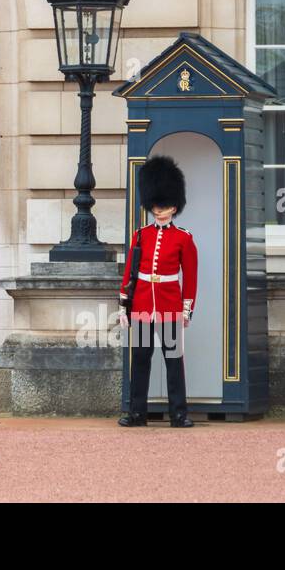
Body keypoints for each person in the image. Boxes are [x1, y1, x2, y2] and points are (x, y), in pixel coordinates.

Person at [117, 154, 198, 429]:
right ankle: (137, 413)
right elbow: (130, 271)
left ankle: (179, 413)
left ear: (174, 207)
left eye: (163, 206)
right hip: (141, 303)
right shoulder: (141, 235)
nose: (159, 211)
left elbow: (190, 276)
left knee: (173, 361)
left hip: (169, 304)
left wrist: (187, 308)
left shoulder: (183, 238)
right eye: (155, 206)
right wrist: (123, 304)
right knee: (140, 359)